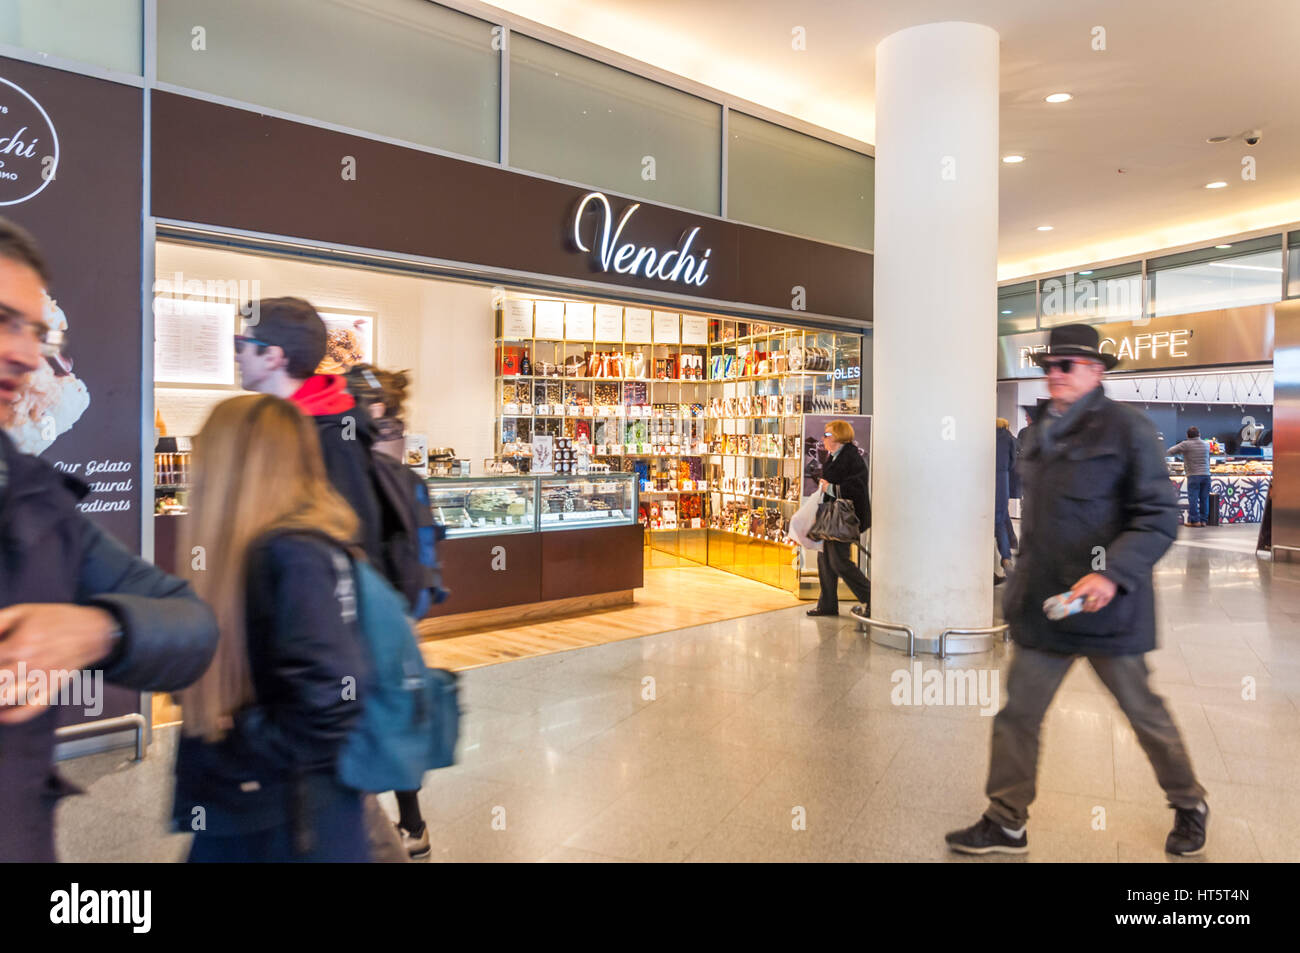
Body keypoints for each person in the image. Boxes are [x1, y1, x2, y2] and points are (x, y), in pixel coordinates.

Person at [0, 217, 218, 861]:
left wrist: (97, 629)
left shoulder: (35, 499)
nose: (23, 351)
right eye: (3, 320)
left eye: (32, 330)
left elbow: (191, 626)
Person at [946, 324, 1209, 857]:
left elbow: (1158, 516)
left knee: (1143, 713)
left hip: (1111, 608)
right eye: (1049, 366)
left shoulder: (1128, 430)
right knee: (1018, 714)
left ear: (1096, 371)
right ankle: (1006, 819)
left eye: (1066, 366)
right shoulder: (1039, 430)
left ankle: (1188, 802)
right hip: (1048, 607)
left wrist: (1110, 573)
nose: (1054, 375)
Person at [172, 394, 370, 862]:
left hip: (284, 816)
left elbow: (333, 700)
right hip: (270, 805)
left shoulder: (291, 555)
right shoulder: (298, 548)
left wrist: (241, 729)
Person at [343, 363, 432, 859]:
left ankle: (386, 832)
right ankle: (411, 825)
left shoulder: (369, 471)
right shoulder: (395, 466)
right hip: (394, 621)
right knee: (389, 723)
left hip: (374, 623)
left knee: (373, 722)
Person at [235, 298, 382, 563]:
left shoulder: (335, 434)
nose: (237, 355)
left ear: (272, 357)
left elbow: (354, 539)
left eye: (242, 344)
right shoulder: (279, 426)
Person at [806, 419, 871, 619]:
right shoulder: (835, 457)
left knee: (839, 561)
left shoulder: (851, 458)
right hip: (831, 517)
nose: (823, 439)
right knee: (825, 559)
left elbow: (856, 488)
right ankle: (827, 604)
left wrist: (830, 488)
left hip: (844, 518)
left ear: (839, 437)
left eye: (828, 435)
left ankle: (872, 597)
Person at [1167, 426, 1210, 526]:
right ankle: (1203, 521)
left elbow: (1170, 451)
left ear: (1187, 435)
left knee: (1193, 498)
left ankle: (1194, 521)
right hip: (1206, 475)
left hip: (1194, 475)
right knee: (1204, 498)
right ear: (1199, 434)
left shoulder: (1186, 444)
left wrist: (1179, 454)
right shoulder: (1206, 445)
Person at [994, 418, 1018, 582]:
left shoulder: (985, 437)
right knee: (1001, 518)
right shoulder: (1009, 438)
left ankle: (1003, 556)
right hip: (1003, 479)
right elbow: (1013, 462)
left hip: (986, 479)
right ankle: (1006, 556)